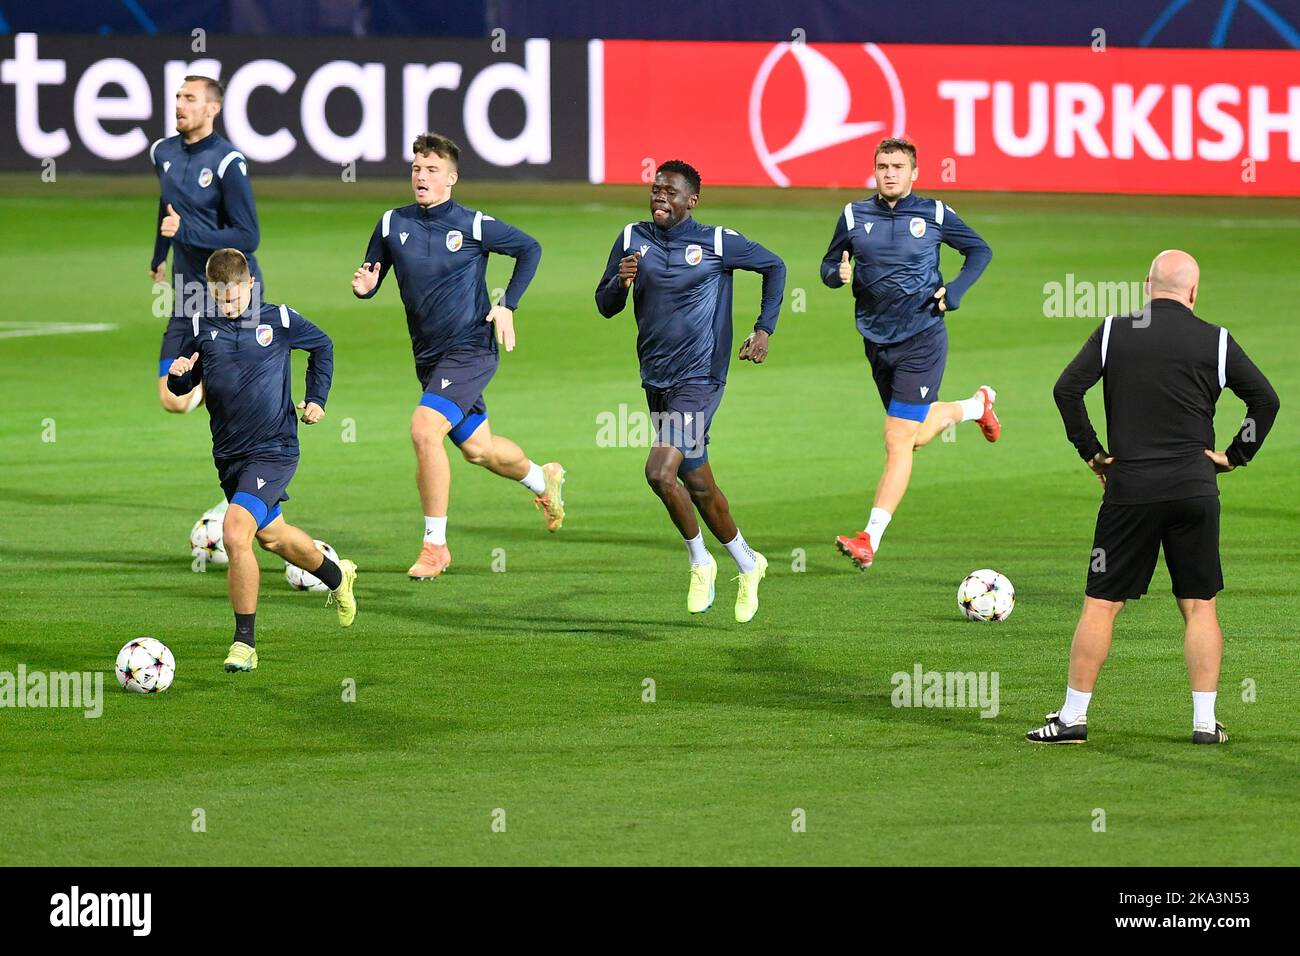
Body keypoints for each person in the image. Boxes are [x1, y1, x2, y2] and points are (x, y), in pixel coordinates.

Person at [1027, 250, 1279, 745]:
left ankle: (1073, 718)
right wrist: (1234, 454)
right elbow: (1266, 401)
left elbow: (1065, 391)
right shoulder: (1217, 340)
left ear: (1147, 286)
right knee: (1200, 605)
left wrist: (1094, 453)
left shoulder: (1113, 332)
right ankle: (1205, 724)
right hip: (1194, 488)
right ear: (1193, 292)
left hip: (1130, 491)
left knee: (1101, 604)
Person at [351, 133, 563, 580]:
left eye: (431, 170)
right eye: (416, 169)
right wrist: (366, 288)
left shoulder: (473, 225)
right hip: (429, 358)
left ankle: (435, 547)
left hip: (470, 348)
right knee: (479, 450)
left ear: (451, 178)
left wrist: (508, 304)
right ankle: (544, 481)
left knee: (424, 429)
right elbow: (372, 273)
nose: (421, 177)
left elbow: (530, 248)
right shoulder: (391, 223)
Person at [595, 160, 785, 622]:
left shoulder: (718, 242)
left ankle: (701, 562)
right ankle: (748, 561)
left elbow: (774, 266)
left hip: (701, 378)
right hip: (656, 378)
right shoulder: (631, 238)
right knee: (698, 484)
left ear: (691, 201)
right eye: (656, 189)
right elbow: (604, 306)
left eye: (670, 192)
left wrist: (764, 329)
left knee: (660, 473)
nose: (660, 197)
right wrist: (620, 284)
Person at [168, 249, 357, 672]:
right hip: (230, 456)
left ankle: (244, 643)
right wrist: (179, 374)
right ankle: (337, 576)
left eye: (236, 298)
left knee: (236, 533)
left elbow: (323, 346)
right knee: (272, 538)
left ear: (250, 285)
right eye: (222, 299)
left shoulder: (280, 320)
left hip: (274, 449)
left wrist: (317, 398)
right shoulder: (200, 326)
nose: (230, 307)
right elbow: (183, 385)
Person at [821, 138, 996, 570]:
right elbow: (827, 267)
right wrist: (835, 273)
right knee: (911, 435)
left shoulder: (934, 213)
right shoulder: (852, 215)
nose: (890, 173)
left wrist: (954, 291)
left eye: (899, 166)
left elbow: (980, 250)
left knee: (898, 438)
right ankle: (975, 406)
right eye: (883, 166)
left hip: (922, 338)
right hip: (876, 341)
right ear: (875, 171)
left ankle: (869, 538)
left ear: (914, 173)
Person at [151, 75, 261, 417]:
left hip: (233, 296)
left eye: (190, 98)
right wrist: (159, 255)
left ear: (212, 108)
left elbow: (248, 236)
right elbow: (168, 206)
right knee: (174, 400)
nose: (180, 104)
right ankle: (215, 382)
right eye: (178, 96)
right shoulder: (162, 151)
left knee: (241, 403)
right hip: (188, 295)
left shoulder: (228, 161)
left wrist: (185, 234)